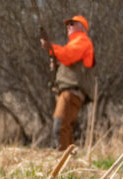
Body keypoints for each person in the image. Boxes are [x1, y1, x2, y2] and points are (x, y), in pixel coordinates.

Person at [39, 15, 95, 150]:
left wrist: (50, 47)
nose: (68, 26)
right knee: (66, 128)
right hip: (70, 92)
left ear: (81, 28)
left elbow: (68, 55)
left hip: (72, 92)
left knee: (60, 125)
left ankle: (60, 160)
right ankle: (70, 162)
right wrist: (57, 64)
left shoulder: (83, 41)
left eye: (72, 23)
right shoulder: (74, 44)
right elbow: (68, 59)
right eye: (68, 24)